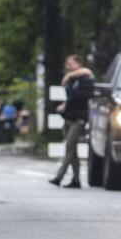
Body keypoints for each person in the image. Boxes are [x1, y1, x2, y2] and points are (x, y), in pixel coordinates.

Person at [49, 54, 93, 188]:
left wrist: (69, 76)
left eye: (70, 64)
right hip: (69, 117)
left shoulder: (85, 78)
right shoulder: (73, 80)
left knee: (69, 146)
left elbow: (88, 72)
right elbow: (72, 98)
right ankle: (76, 179)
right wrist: (64, 106)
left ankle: (59, 177)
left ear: (78, 64)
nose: (67, 67)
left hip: (79, 119)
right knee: (73, 151)